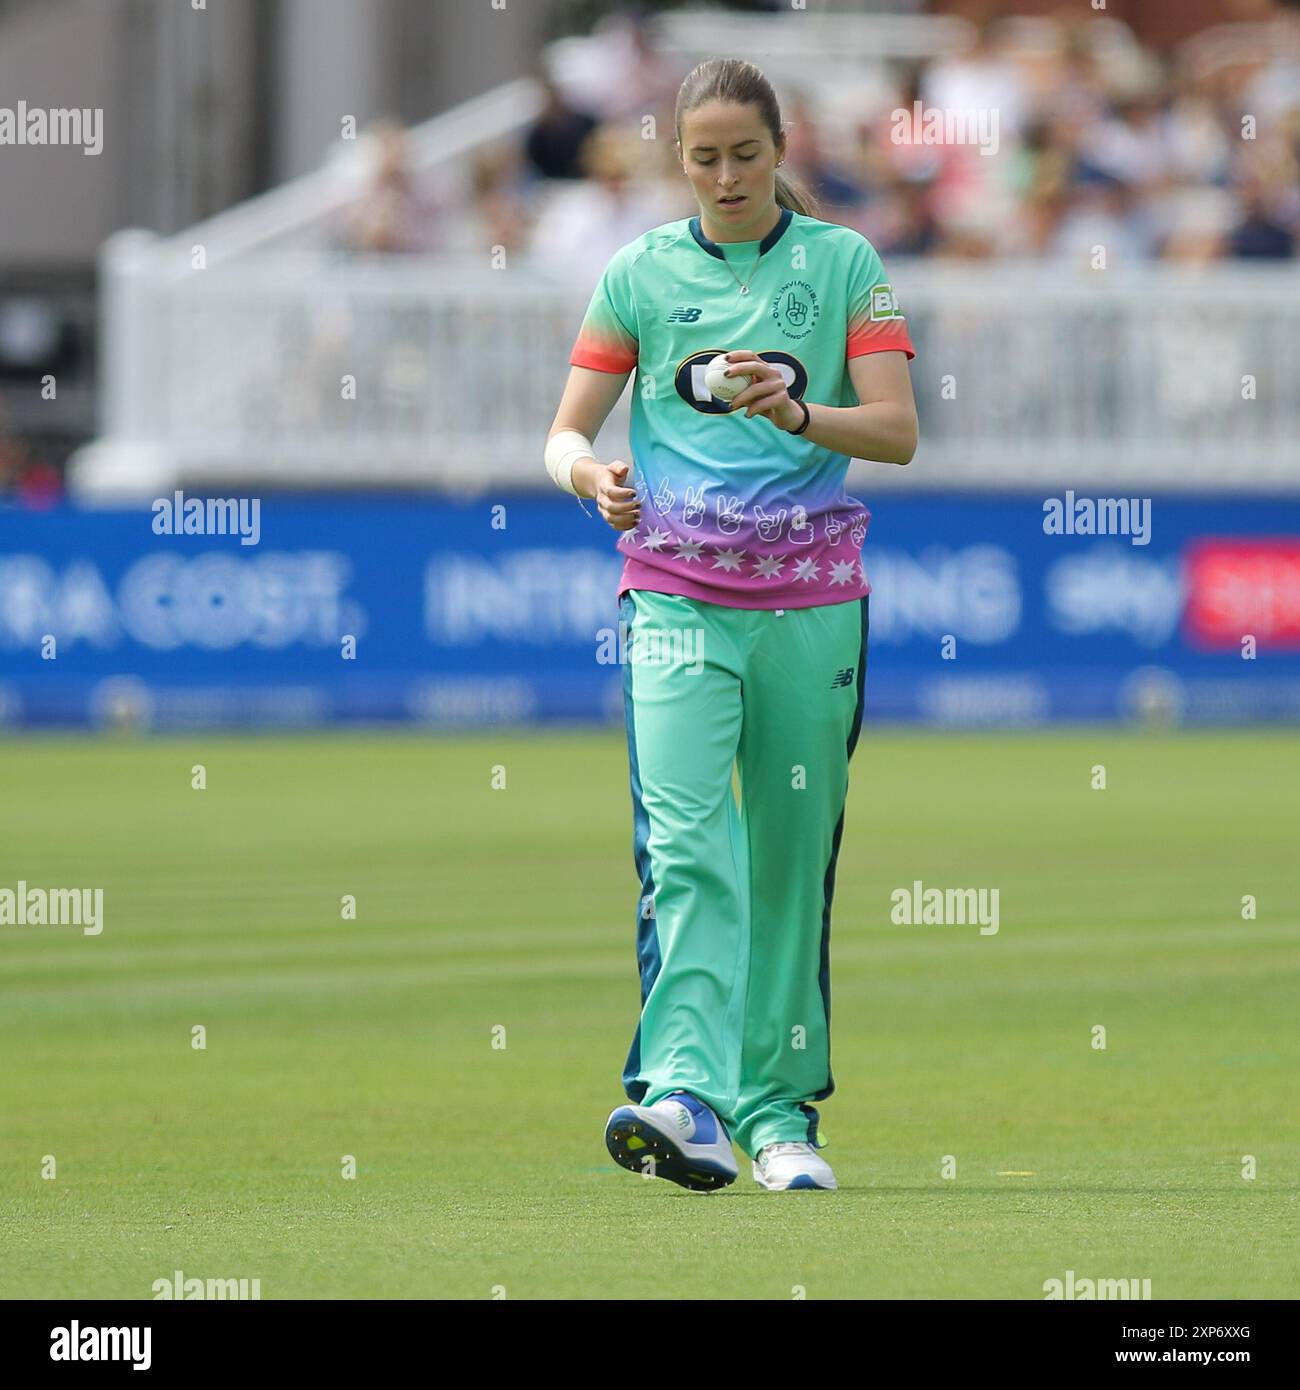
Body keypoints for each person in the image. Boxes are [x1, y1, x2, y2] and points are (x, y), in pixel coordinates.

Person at [544, 58, 918, 1193]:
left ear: (779, 146)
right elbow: (561, 432)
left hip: (811, 609)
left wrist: (797, 408)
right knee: (688, 849)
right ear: (677, 157)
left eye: (744, 153)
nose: (724, 176)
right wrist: (587, 480)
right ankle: (687, 1096)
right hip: (672, 600)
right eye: (702, 157)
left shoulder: (843, 263)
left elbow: (896, 432)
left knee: (790, 866)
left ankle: (781, 1115)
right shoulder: (639, 274)